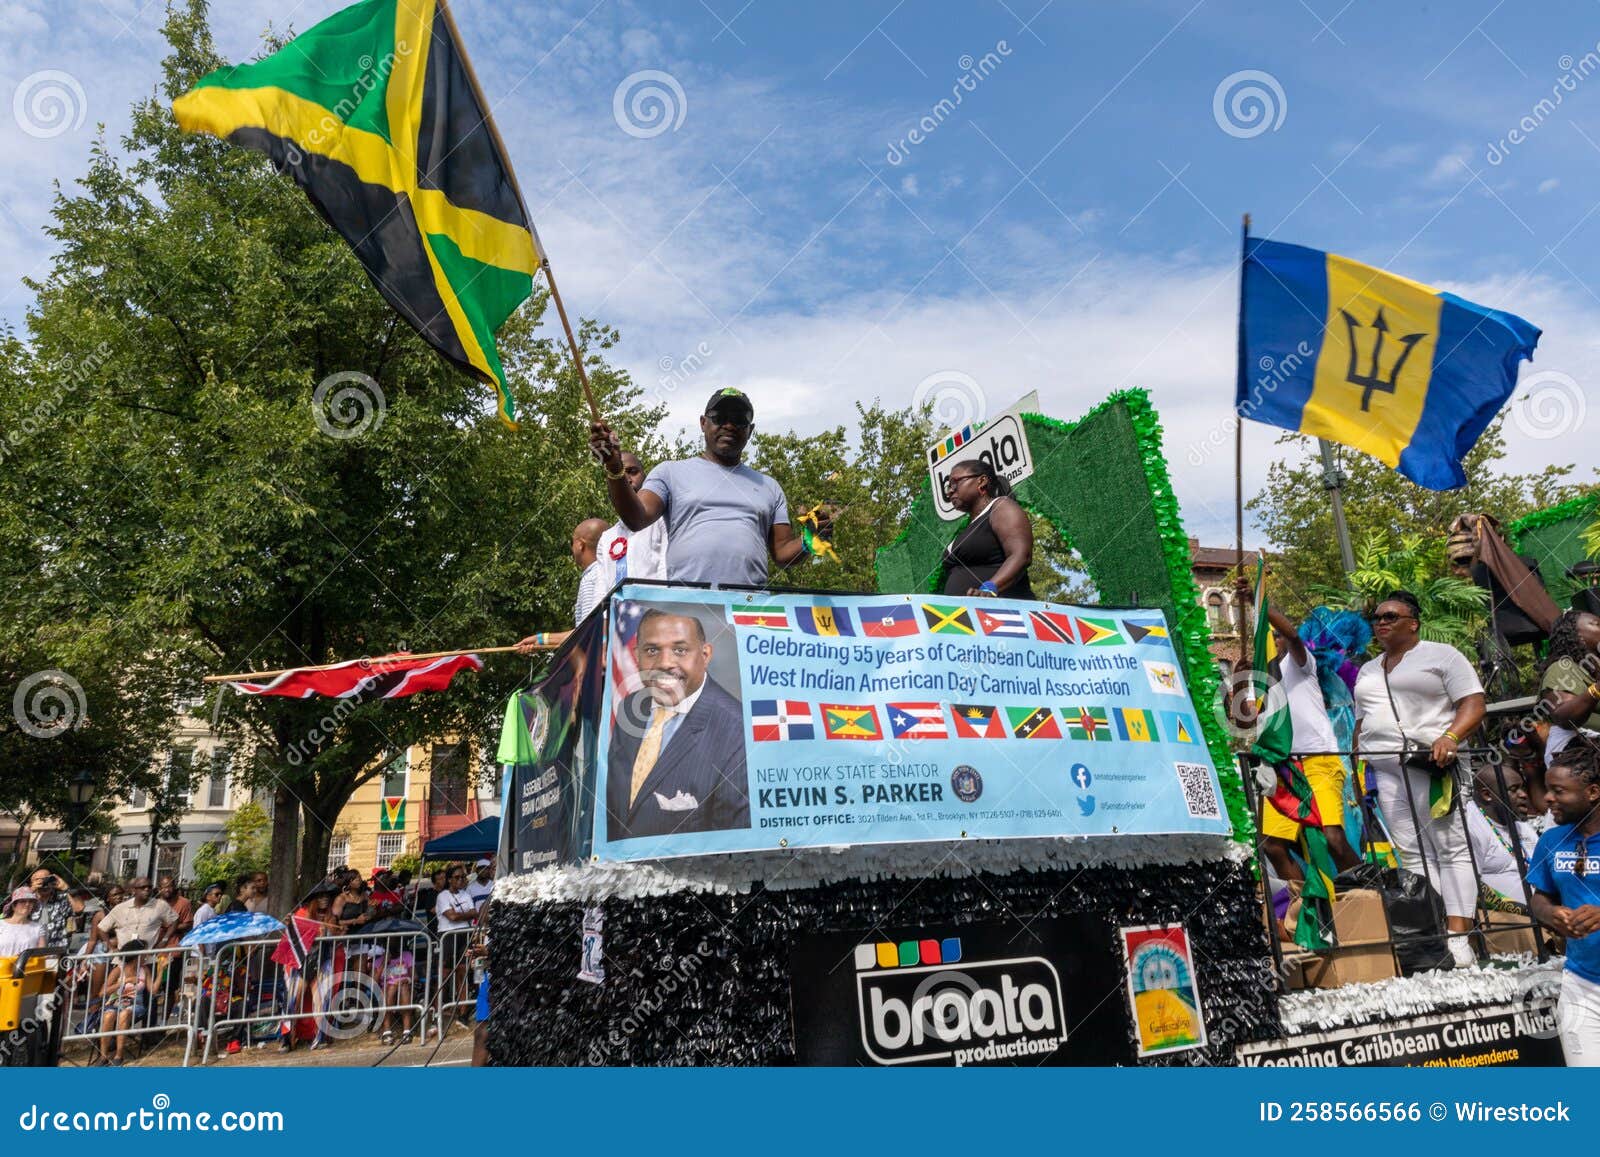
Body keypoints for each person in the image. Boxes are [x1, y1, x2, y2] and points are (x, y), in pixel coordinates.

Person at [1353, 591, 1487, 968]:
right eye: (1376, 617)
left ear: (1413, 622)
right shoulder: (1368, 669)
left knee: (1451, 848)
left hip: (1430, 763)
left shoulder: (1442, 655)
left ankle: (1460, 935)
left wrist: (1451, 737)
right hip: (1384, 769)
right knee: (1412, 852)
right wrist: (1356, 767)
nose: (1381, 622)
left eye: (1390, 616)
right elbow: (1362, 723)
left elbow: (1474, 703)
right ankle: (1435, 931)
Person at [588, 388, 830, 587]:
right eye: (719, 417)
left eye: (739, 420)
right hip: (687, 609)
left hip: (749, 611)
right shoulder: (669, 472)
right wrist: (614, 467)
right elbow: (636, 518)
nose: (729, 425)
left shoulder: (770, 487)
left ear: (750, 430)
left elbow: (782, 552)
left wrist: (810, 538)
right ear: (703, 423)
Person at [1234, 586, 1360, 878]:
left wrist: (1261, 604)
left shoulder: (1300, 664)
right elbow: (1245, 727)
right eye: (1268, 637)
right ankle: (1310, 912)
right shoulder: (1261, 680)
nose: (1275, 640)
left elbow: (1293, 636)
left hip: (1319, 761)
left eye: (1274, 635)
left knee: (1333, 839)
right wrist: (1241, 681)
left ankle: (1366, 899)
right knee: (1273, 845)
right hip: (1283, 769)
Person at [605, 609, 750, 841]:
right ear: (636, 655)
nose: (664, 663)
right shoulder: (631, 708)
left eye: (680, 650)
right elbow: (614, 806)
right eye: (652, 650)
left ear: (705, 654)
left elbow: (733, 849)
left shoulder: (737, 731)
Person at [1526, 741, 1600, 1065]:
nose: (1547, 798)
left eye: (1559, 790)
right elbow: (1539, 898)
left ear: (1593, 792)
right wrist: (1552, 914)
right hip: (1581, 986)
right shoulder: (1552, 840)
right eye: (1547, 789)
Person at [941, 459, 1034, 599]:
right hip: (963, 615)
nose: (950, 492)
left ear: (982, 481)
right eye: (948, 486)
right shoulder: (969, 528)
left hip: (1000, 614)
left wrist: (990, 588)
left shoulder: (1001, 506)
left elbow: (1021, 555)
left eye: (955, 483)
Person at [279, 880, 341, 1053]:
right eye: (320, 896)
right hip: (301, 961)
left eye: (326, 897)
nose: (324, 900)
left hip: (322, 959)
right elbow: (292, 936)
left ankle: (320, 1037)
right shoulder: (301, 913)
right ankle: (287, 1039)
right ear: (313, 899)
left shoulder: (331, 916)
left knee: (322, 999)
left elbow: (334, 936)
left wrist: (331, 931)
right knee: (292, 1000)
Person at [1466, 765, 1539, 911]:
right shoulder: (1471, 824)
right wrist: (1522, 910)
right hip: (1498, 917)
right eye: (1513, 789)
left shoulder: (1521, 825)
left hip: (1539, 913)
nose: (1523, 794)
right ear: (1487, 794)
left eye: (1522, 788)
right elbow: (1469, 886)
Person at [595, 452, 669, 587]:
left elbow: (666, 573)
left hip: (656, 606)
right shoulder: (606, 538)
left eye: (632, 472)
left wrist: (663, 606)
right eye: (619, 476)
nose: (626, 479)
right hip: (615, 608)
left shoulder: (663, 522)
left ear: (647, 479)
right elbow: (601, 590)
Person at [1538, 611, 1600, 766]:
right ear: (1576, 634)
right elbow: (1565, 718)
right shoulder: (1562, 668)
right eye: (1597, 624)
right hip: (1576, 755)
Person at [97, 939, 152, 1066]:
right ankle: (103, 1056)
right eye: (144, 952)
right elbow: (102, 992)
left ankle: (119, 1055)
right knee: (109, 1015)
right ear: (136, 955)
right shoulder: (118, 970)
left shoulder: (145, 970)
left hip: (135, 1005)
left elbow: (153, 990)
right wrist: (124, 981)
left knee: (125, 1014)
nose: (147, 955)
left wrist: (160, 970)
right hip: (116, 1004)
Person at [436, 865, 478, 1022]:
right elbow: (451, 917)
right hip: (447, 936)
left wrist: (459, 914)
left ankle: (463, 1012)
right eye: (457, 877)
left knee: (462, 972)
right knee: (444, 974)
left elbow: (474, 913)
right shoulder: (443, 896)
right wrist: (465, 914)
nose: (461, 880)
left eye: (463, 877)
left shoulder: (466, 895)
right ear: (449, 880)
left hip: (463, 935)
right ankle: (437, 1010)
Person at [97, 878, 178, 952]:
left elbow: (174, 920)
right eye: (143, 887)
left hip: (147, 958)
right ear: (134, 890)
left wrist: (164, 940)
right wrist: (111, 948)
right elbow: (102, 928)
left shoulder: (160, 905)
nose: (147, 889)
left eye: (149, 887)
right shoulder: (120, 908)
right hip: (124, 959)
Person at [28, 869, 71, 949]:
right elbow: (10, 913)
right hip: (30, 951)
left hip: (55, 951)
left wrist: (65, 888)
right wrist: (31, 890)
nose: (44, 883)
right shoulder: (27, 902)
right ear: (32, 883)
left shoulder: (61, 899)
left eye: (46, 879)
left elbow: (79, 908)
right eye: (38, 880)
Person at [0, 886, 44, 960]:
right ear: (14, 906)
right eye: (22, 901)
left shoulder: (38, 928)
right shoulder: (1, 925)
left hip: (29, 970)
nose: (27, 904)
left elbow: (42, 955)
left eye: (30, 901)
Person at [155, 875, 193, 947]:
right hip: (155, 947)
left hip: (174, 947)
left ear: (174, 887)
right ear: (159, 889)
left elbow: (188, 925)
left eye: (169, 886)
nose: (167, 890)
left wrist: (169, 927)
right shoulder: (155, 904)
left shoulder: (184, 903)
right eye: (164, 887)